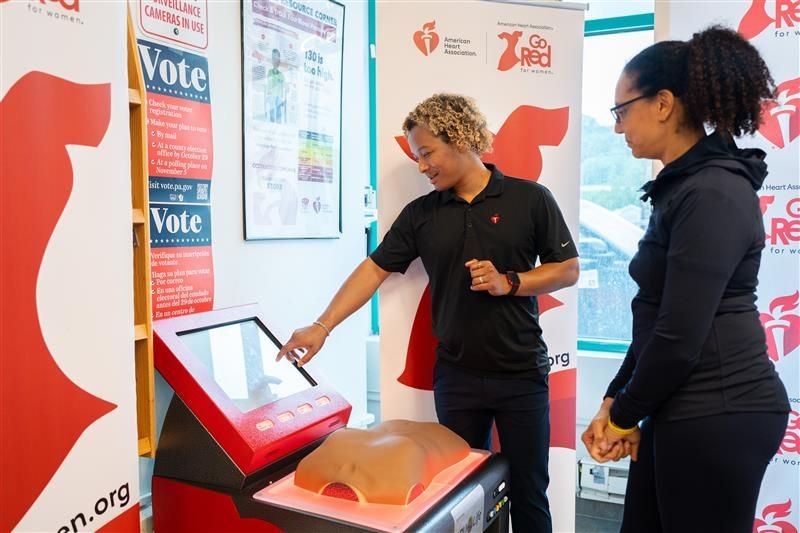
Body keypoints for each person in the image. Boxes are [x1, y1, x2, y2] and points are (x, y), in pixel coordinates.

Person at [277, 93, 579, 532]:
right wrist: (322, 326)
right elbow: (374, 268)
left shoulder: (530, 198)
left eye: (426, 153)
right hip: (456, 378)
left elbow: (567, 269)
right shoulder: (422, 214)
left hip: (520, 375)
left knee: (529, 491)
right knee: (461, 494)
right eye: (418, 157)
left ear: (459, 138)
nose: (422, 166)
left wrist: (511, 281)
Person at [580, 26, 790, 533]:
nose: (616, 128)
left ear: (663, 103)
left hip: (721, 412)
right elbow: (655, 314)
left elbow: (678, 337)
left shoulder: (713, 190)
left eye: (620, 111)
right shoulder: (682, 186)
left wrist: (624, 415)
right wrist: (616, 397)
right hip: (679, 407)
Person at [265, 48, 285, 123]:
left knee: (278, 105)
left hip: (279, 96)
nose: (275, 60)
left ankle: (279, 122)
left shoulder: (281, 75)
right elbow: (269, 83)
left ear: (279, 61)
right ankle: (272, 122)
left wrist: (282, 97)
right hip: (272, 95)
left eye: (277, 58)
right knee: (272, 105)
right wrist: (268, 93)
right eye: (273, 58)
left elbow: (282, 86)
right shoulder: (270, 72)